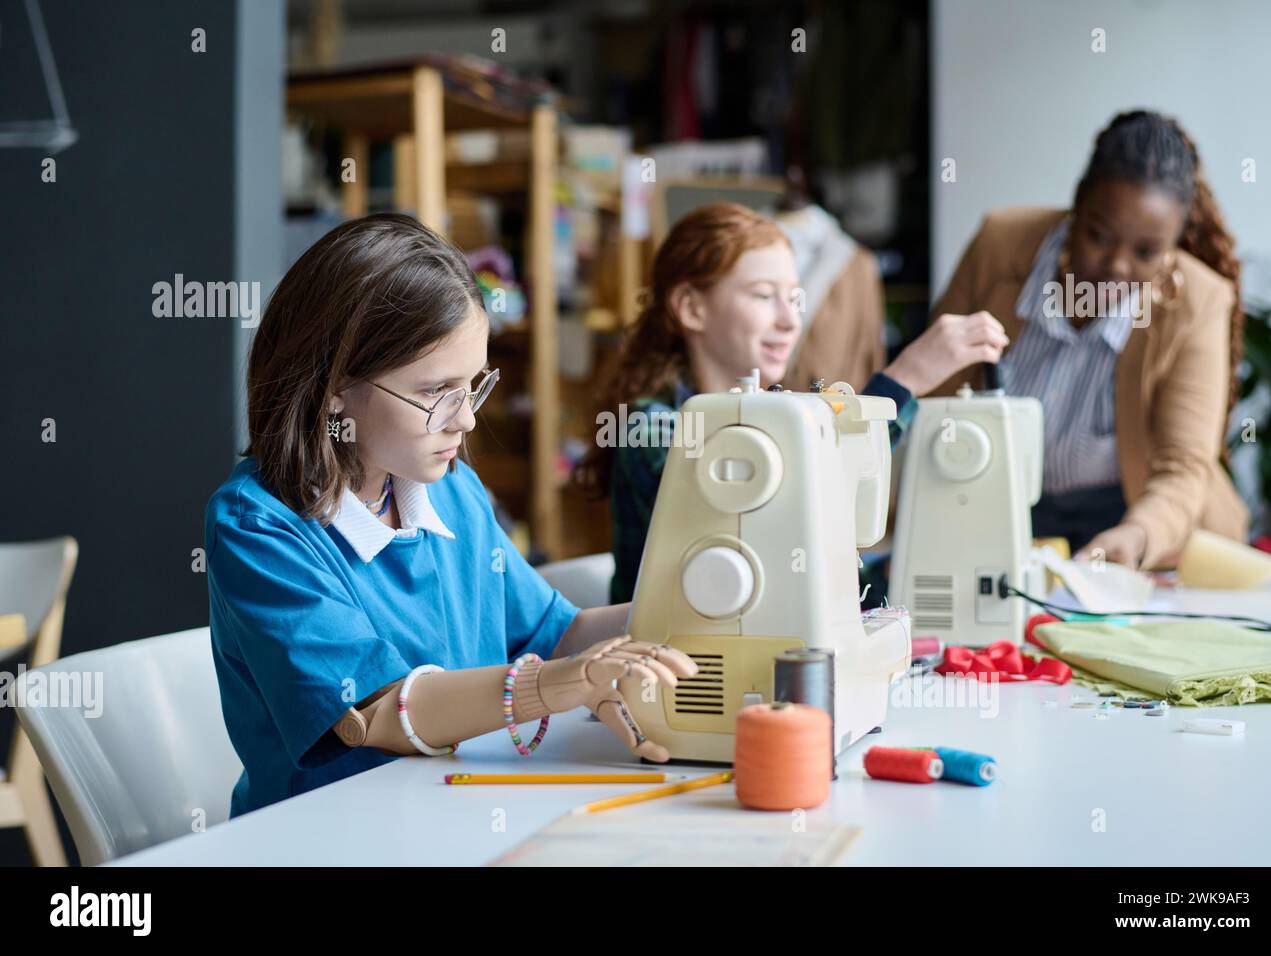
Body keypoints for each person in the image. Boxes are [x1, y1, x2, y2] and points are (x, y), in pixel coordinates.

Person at [206, 213, 693, 817]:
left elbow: (556, 633)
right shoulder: (259, 524)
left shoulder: (451, 489)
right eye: (438, 391)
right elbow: (375, 714)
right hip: (327, 838)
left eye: (473, 386)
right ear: (335, 386)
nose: (464, 420)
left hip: (455, 817)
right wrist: (559, 682)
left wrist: (697, 608)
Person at [579, 201, 1008, 603]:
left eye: (794, 298)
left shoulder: (777, 416)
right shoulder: (653, 429)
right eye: (764, 296)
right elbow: (779, 520)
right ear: (692, 308)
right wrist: (905, 379)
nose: (789, 321)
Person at [930, 110, 1248, 568]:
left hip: (1130, 515)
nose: (1117, 266)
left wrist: (1137, 537)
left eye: (1146, 252)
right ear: (1077, 204)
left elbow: (1182, 466)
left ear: (1174, 243)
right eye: (1099, 236)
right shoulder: (1001, 246)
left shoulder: (1198, 302)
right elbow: (936, 395)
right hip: (997, 505)